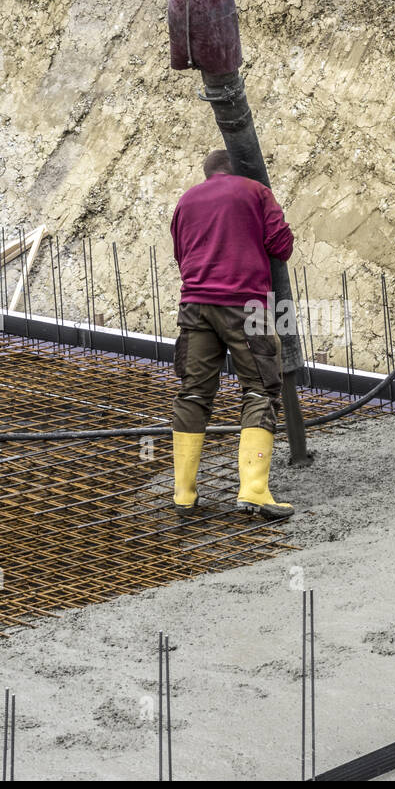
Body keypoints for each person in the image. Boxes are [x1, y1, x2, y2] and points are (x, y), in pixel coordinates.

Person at [170, 149, 296, 519]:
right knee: (259, 388)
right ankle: (254, 492)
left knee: (193, 392)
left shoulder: (186, 200)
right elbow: (281, 246)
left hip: (194, 305)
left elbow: (181, 254)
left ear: (207, 174)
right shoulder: (255, 191)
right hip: (247, 306)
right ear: (236, 169)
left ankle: (184, 494)